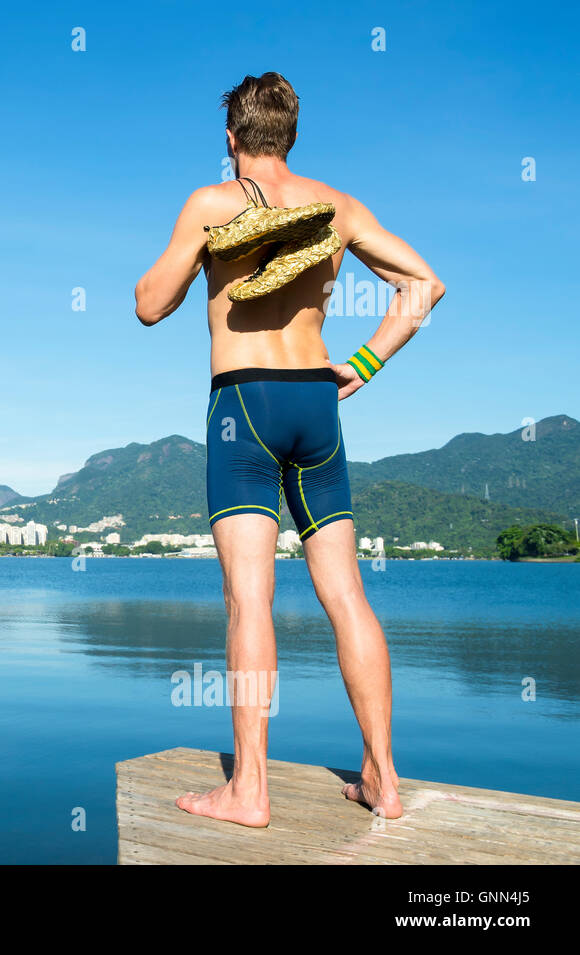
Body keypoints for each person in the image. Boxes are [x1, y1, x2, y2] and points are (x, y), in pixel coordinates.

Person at [133, 72, 445, 827]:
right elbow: (424, 285)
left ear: (231, 138)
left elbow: (149, 304)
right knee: (346, 595)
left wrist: (208, 239)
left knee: (250, 597)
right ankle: (384, 778)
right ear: (292, 137)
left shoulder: (211, 203)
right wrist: (366, 362)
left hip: (244, 401)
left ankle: (250, 788)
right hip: (316, 401)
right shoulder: (335, 206)